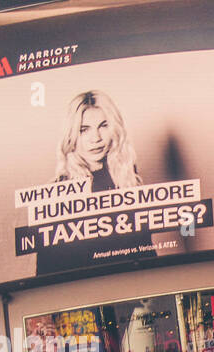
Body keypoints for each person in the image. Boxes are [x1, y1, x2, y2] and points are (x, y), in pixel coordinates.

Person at [37, 90, 155, 275]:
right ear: (72, 135)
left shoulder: (128, 180)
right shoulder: (56, 192)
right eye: (84, 130)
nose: (96, 138)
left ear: (115, 129)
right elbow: (46, 274)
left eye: (103, 126)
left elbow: (147, 254)